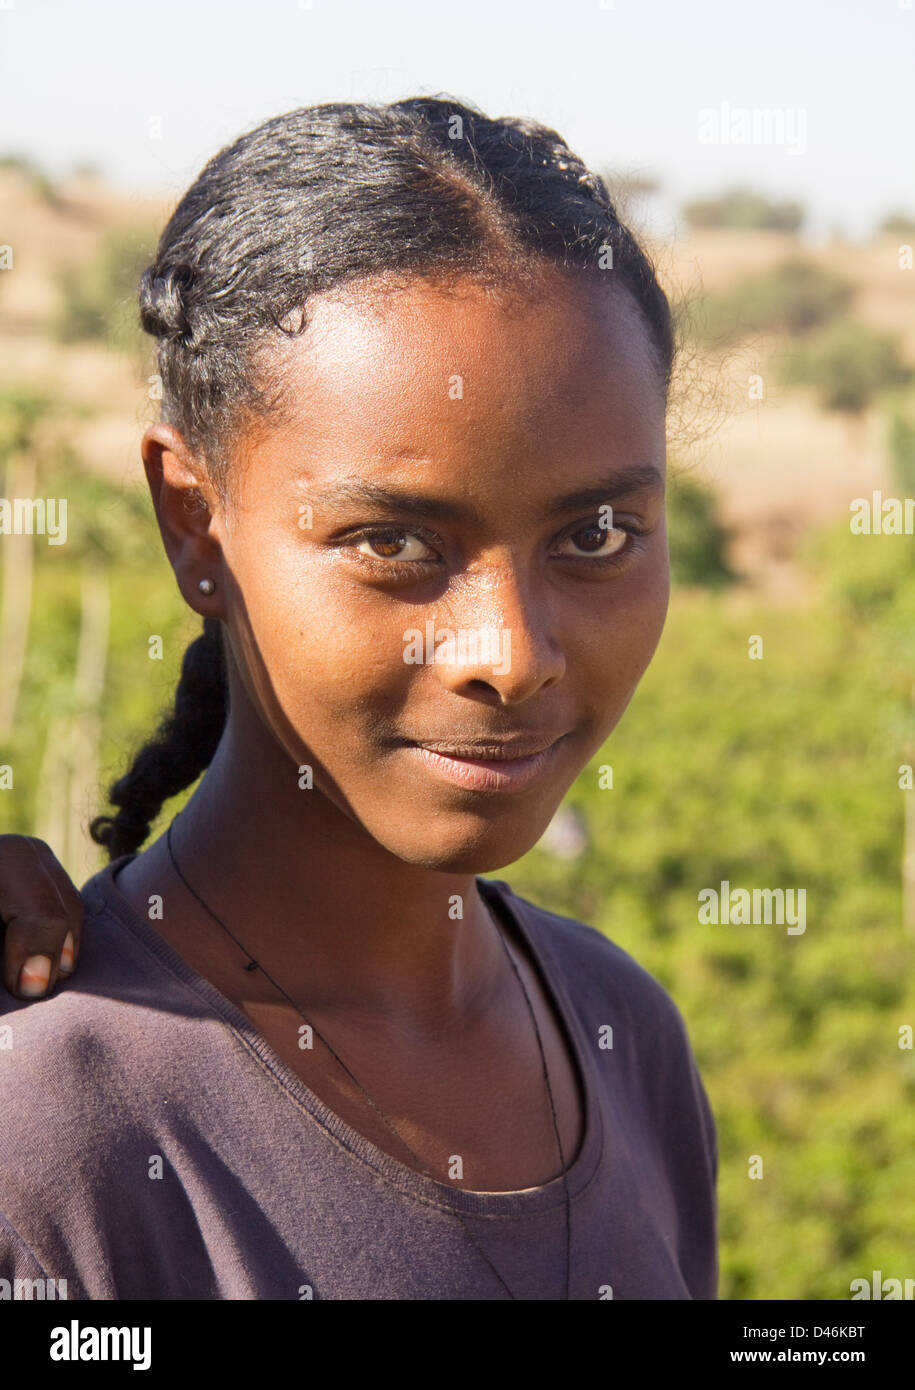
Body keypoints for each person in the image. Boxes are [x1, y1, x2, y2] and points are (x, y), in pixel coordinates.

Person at [0, 95, 717, 1300]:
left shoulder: (623, 1036)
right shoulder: (52, 1130)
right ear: (195, 521)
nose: (514, 652)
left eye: (596, 532)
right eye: (392, 540)